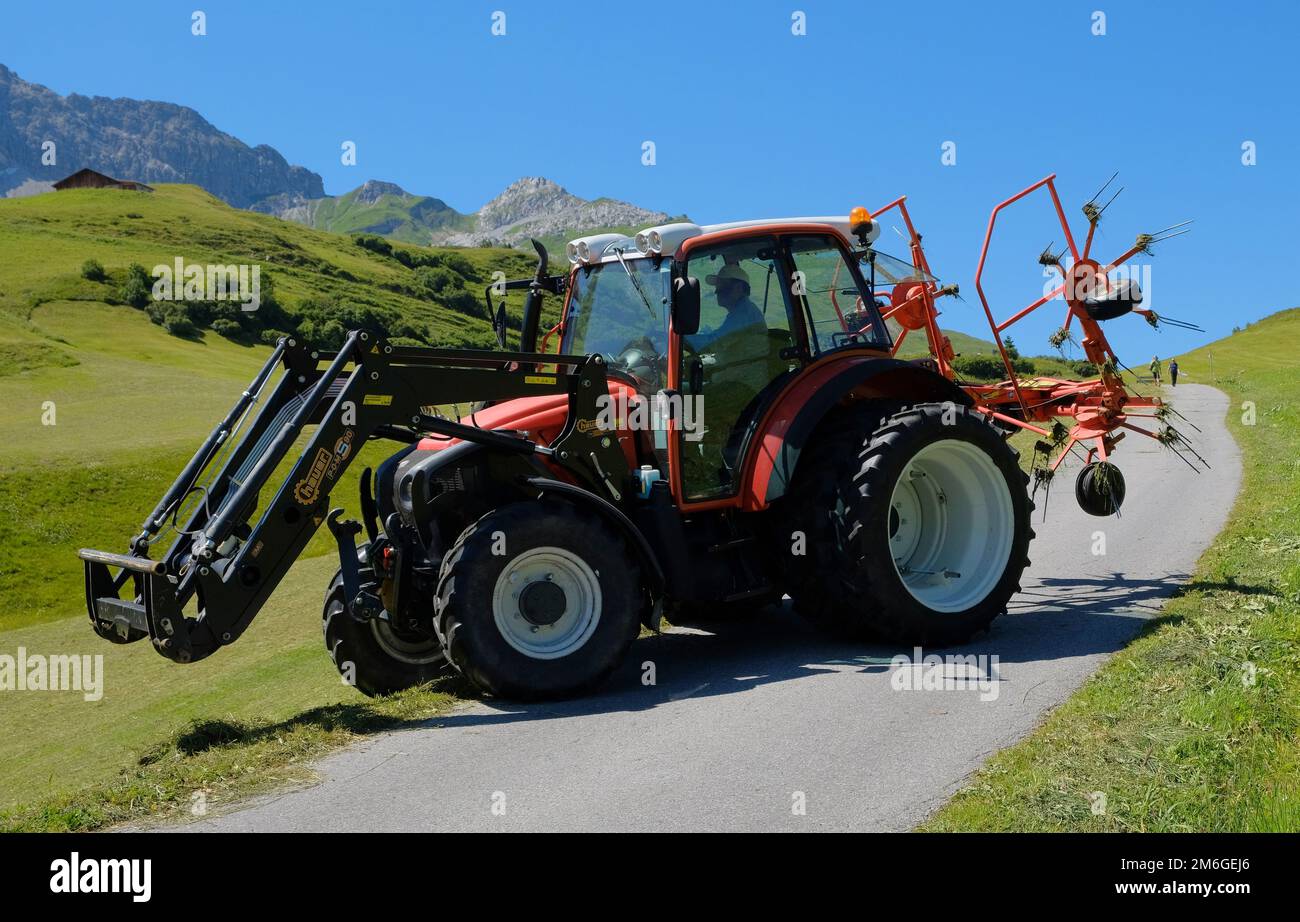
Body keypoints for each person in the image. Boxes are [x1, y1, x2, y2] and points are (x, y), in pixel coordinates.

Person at [693, 264, 764, 347]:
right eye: (717, 286)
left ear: (738, 288)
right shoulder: (745, 310)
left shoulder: (742, 313)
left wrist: (681, 338)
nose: (716, 291)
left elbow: (714, 343)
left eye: (722, 286)